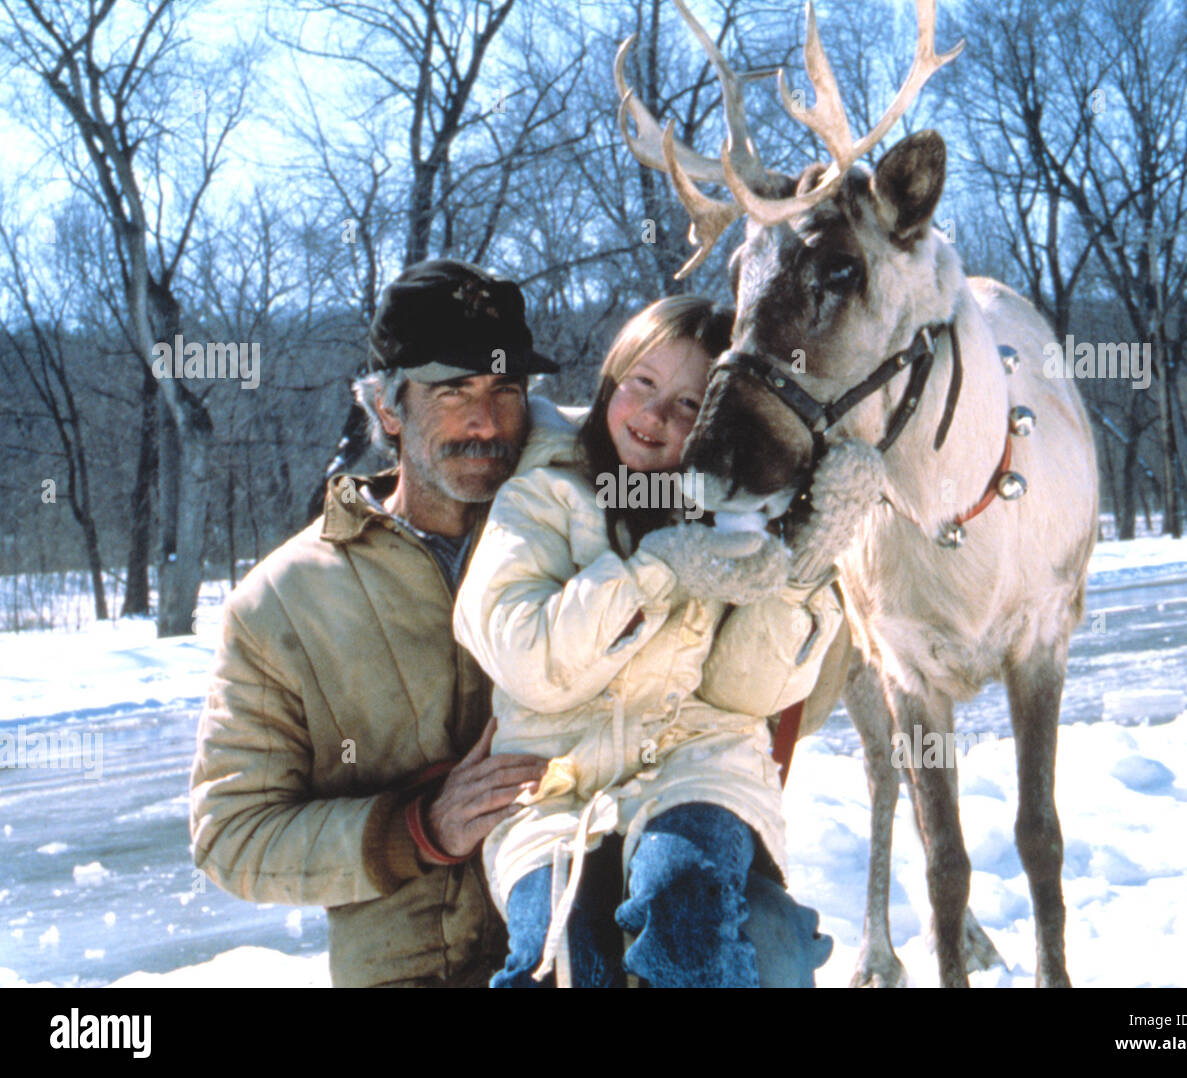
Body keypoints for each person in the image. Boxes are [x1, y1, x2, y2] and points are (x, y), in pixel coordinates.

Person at [190, 263, 842, 988]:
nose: (486, 420)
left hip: (630, 894)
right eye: (453, 392)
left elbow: (782, 697)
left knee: (772, 946)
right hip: (427, 962)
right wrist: (417, 829)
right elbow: (230, 834)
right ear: (388, 407)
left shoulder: (620, 493)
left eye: (505, 389)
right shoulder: (284, 601)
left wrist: (792, 548)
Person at [453, 295, 859, 987]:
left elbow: (745, 691)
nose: (652, 417)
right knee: (561, 956)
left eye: (686, 404)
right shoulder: (539, 499)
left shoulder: (733, 516)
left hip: (700, 770)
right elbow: (529, 662)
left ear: (714, 422)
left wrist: (801, 573)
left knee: (686, 910)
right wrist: (656, 571)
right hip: (555, 793)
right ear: (612, 377)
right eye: (642, 384)